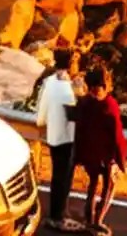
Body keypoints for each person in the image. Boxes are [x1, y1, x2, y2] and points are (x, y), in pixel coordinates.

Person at [74, 66, 127, 234]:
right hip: (106, 158)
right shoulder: (110, 106)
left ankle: (88, 217)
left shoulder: (84, 103)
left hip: (89, 154)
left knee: (93, 184)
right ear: (106, 84)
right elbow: (117, 137)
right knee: (109, 186)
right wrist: (120, 161)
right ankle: (98, 220)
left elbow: (78, 129)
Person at [36, 49, 82, 232]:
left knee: (57, 176)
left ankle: (56, 214)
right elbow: (75, 114)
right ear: (71, 64)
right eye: (76, 61)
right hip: (67, 138)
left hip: (53, 136)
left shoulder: (50, 82)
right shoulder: (68, 88)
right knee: (64, 178)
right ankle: (58, 216)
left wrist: (42, 123)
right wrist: (81, 94)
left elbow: (42, 113)